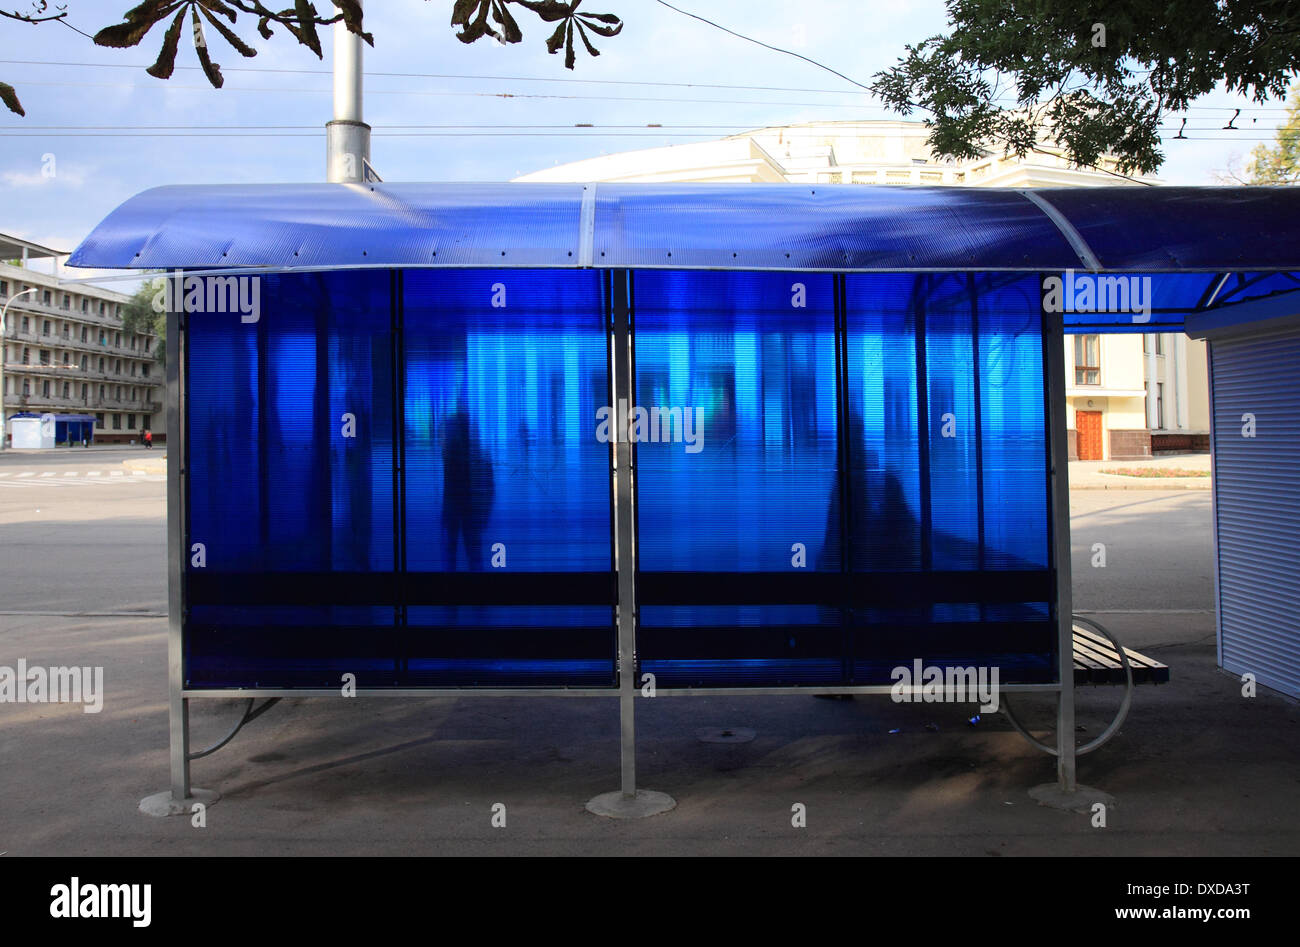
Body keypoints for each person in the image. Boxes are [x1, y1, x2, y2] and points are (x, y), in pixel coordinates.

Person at [440, 409, 495, 571]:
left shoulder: (454, 456)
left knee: (457, 553)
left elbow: (488, 488)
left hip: (461, 513)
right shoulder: (471, 456)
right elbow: (489, 488)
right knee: (471, 554)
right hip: (466, 512)